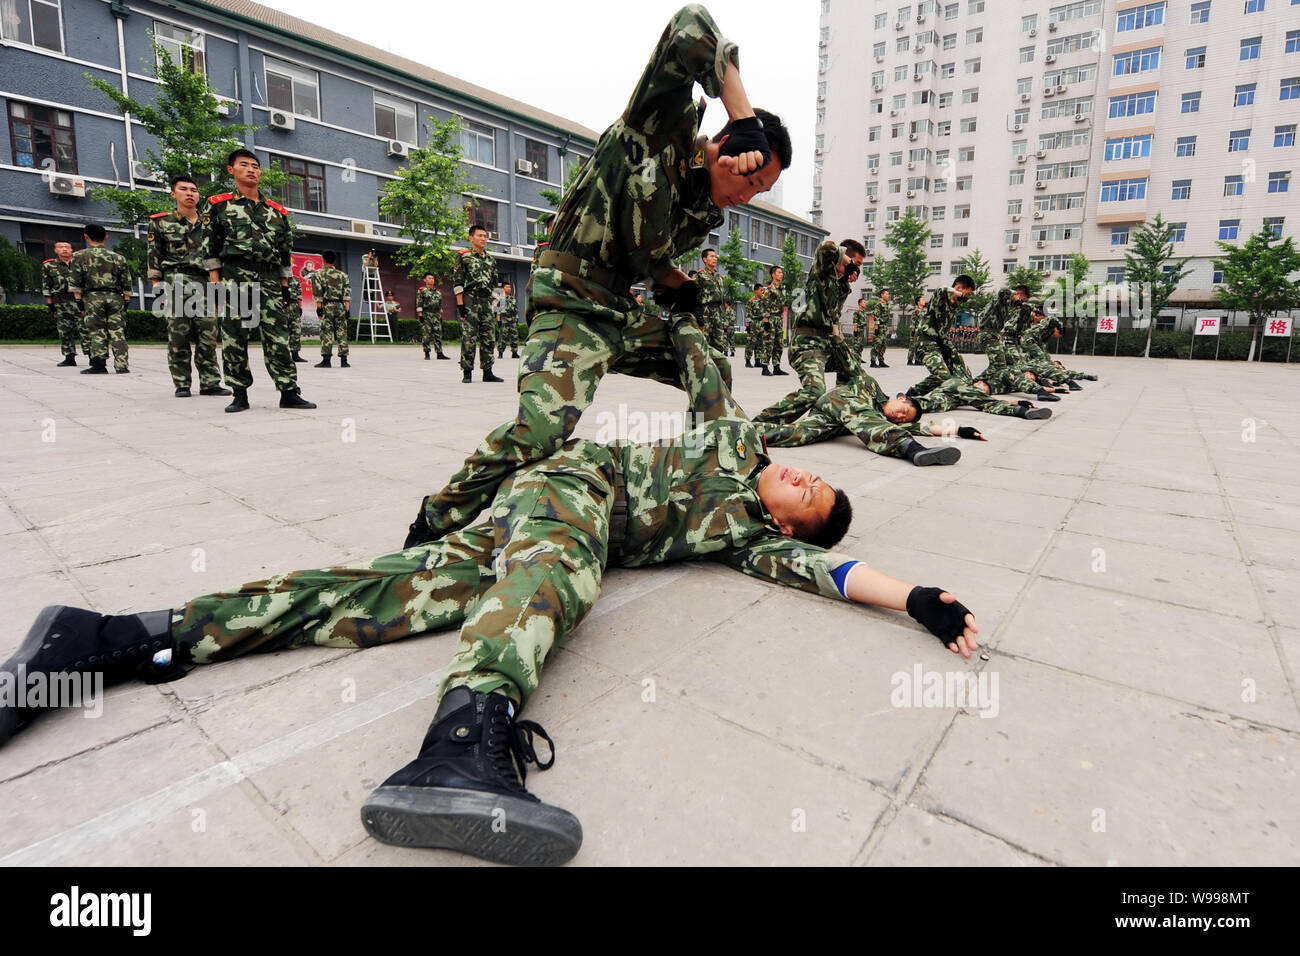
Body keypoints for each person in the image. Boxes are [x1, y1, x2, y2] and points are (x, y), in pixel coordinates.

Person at [4, 415, 979, 867]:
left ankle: (116, 637)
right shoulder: (739, 439)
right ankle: (464, 740)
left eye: (811, 504)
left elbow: (837, 572)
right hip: (574, 489)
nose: (803, 484)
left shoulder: (748, 538)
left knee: (370, 594)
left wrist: (919, 599)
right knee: (563, 572)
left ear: (788, 531)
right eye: (807, 480)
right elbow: (831, 403)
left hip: (536, 515)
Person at [404, 4, 789, 546]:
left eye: (761, 192)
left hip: (619, 312)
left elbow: (644, 252)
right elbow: (691, 24)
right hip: (570, 305)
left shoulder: (702, 208)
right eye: (752, 179)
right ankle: (437, 518)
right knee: (540, 432)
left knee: (710, 367)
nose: (749, 195)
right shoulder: (661, 130)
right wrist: (746, 116)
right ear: (729, 148)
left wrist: (678, 285)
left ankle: (720, 482)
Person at [202, 149, 315, 412]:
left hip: (270, 279)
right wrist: (215, 282)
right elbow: (210, 246)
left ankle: (288, 391)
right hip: (236, 278)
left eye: (255, 166)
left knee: (278, 338)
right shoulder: (219, 205)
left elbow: (285, 252)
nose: (252, 170)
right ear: (231, 170)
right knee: (235, 338)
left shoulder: (277, 212)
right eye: (244, 165)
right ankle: (239, 393)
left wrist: (285, 287)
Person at [754, 239, 864, 424]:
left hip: (826, 343)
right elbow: (825, 247)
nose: (857, 272)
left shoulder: (841, 286)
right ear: (844, 259)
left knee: (856, 374)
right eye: (857, 265)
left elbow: (833, 318)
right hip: (807, 343)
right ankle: (760, 423)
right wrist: (849, 264)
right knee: (814, 392)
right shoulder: (822, 273)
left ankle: (842, 410)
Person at [148, 176, 230, 397]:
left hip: (206, 282)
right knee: (178, 336)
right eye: (183, 189)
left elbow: (218, 257)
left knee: (208, 335)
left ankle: (210, 382)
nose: (190, 193)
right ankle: (182, 383)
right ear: (173, 194)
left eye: (193, 190)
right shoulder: (160, 222)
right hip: (175, 281)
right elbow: (154, 258)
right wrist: (158, 290)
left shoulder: (209, 222)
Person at [69, 224, 132, 375]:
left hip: (92, 297)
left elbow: (75, 283)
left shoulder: (78, 256)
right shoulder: (118, 258)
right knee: (117, 331)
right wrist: (126, 302)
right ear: (106, 238)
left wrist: (79, 303)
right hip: (116, 297)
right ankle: (122, 365)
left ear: (86, 236)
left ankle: (99, 365)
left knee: (96, 330)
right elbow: (127, 283)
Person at [908, 275, 976, 395]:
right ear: (958, 287)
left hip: (941, 342)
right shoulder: (942, 297)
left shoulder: (954, 305)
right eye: (967, 293)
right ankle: (913, 393)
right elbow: (942, 289)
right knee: (943, 375)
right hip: (926, 341)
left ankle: (958, 392)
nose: (967, 297)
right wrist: (959, 294)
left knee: (961, 370)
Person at [455, 224, 504, 383]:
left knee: (489, 337)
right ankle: (467, 371)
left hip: (486, 302)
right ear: (471, 238)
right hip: (470, 300)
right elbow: (458, 283)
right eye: (479, 236)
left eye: (485, 236)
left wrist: (499, 309)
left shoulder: (491, 260)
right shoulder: (464, 256)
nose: (483, 239)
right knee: (469, 337)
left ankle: (488, 372)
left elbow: (496, 286)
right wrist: (461, 306)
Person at [43, 240, 84, 367]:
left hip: (79, 301)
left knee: (85, 329)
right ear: (56, 250)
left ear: (72, 250)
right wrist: (50, 305)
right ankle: (69, 357)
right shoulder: (49, 266)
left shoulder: (80, 264)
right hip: (61, 302)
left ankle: (92, 356)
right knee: (65, 331)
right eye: (61, 247)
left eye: (67, 247)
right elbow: (46, 286)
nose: (64, 249)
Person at [310, 251, 351, 369]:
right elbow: (347, 294)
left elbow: (318, 291)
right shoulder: (343, 275)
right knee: (342, 332)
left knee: (326, 332)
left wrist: (319, 308)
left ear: (323, 259)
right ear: (334, 260)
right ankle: (344, 361)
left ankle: (326, 360)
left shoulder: (318, 274)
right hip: (340, 306)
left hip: (327, 305)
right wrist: (347, 310)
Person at [697, 248, 728, 355]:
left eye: (716, 256)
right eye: (712, 256)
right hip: (705, 311)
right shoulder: (700, 275)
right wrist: (698, 316)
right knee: (705, 341)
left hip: (717, 311)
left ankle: (718, 369)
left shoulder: (719, 277)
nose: (715, 258)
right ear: (705, 259)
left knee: (719, 342)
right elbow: (695, 296)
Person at [415, 272, 449, 360]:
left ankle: (440, 353)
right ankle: (427, 353)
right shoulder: (422, 290)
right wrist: (420, 316)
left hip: (436, 315)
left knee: (438, 334)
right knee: (426, 335)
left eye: (433, 278)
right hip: (426, 314)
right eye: (429, 278)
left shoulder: (438, 293)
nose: (431, 280)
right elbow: (419, 303)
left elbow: (440, 305)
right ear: (425, 280)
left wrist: (440, 315)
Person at [285, 273, 306, 364]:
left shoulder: (296, 280)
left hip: (294, 306)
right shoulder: (278, 278)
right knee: (282, 331)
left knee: (296, 331)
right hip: (282, 306)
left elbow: (299, 295)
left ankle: (295, 355)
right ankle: (282, 355)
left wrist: (300, 308)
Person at [496, 281, 520, 360]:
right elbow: (498, 310)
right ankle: (500, 353)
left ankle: (514, 353)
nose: (509, 289)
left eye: (510, 287)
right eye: (507, 287)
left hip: (512, 320)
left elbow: (515, 309)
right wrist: (498, 321)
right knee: (503, 337)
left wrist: (516, 318)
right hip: (504, 320)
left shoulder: (513, 298)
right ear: (503, 289)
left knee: (514, 336)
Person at [869, 287, 891, 369]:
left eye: (888, 294)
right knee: (877, 344)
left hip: (884, 327)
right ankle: (873, 361)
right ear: (882, 295)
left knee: (883, 345)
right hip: (880, 326)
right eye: (886, 294)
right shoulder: (879, 304)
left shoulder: (887, 304)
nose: (888, 295)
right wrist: (876, 328)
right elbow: (876, 316)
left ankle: (881, 361)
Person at [744, 281, 764, 368]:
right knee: (751, 343)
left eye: (763, 290)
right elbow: (748, 314)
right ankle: (747, 361)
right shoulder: (751, 301)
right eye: (761, 290)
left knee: (760, 343)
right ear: (756, 291)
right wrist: (748, 326)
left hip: (761, 324)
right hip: (753, 324)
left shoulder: (764, 301)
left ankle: (757, 361)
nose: (762, 292)